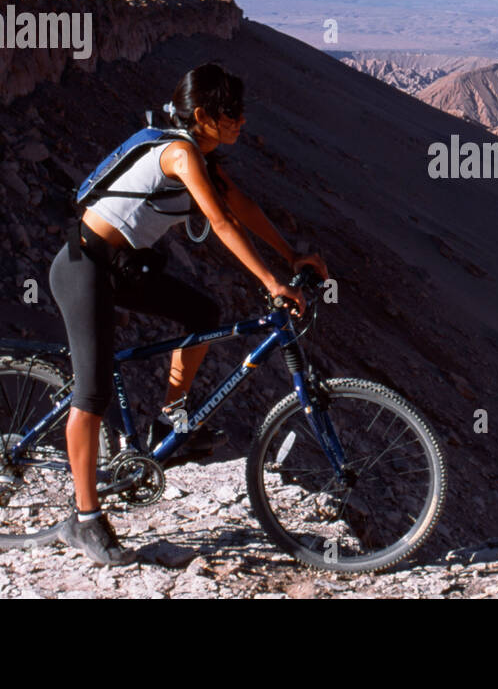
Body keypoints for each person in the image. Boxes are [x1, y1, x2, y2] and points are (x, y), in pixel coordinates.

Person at [47, 62, 328, 566]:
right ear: (203, 115)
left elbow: (239, 204)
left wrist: (291, 255)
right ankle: (84, 519)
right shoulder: (180, 153)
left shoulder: (199, 151)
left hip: (122, 267)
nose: (242, 120)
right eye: (232, 113)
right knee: (92, 393)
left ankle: (168, 422)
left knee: (203, 312)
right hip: (84, 266)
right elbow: (220, 223)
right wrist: (272, 283)